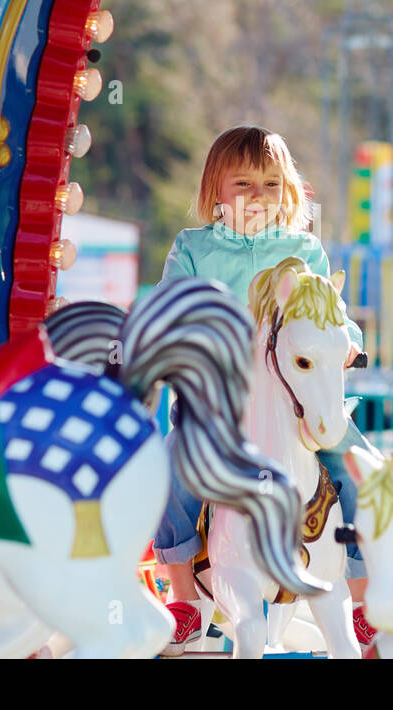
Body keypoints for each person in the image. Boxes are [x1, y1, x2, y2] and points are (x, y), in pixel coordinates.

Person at [155, 125, 379, 654]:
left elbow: (332, 314)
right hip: (216, 402)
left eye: (271, 184)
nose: (259, 196)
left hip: (293, 403)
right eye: (243, 184)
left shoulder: (302, 250)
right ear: (215, 193)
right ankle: (185, 595)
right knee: (171, 466)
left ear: (291, 192)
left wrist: (346, 340)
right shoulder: (193, 249)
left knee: (358, 468)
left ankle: (363, 594)